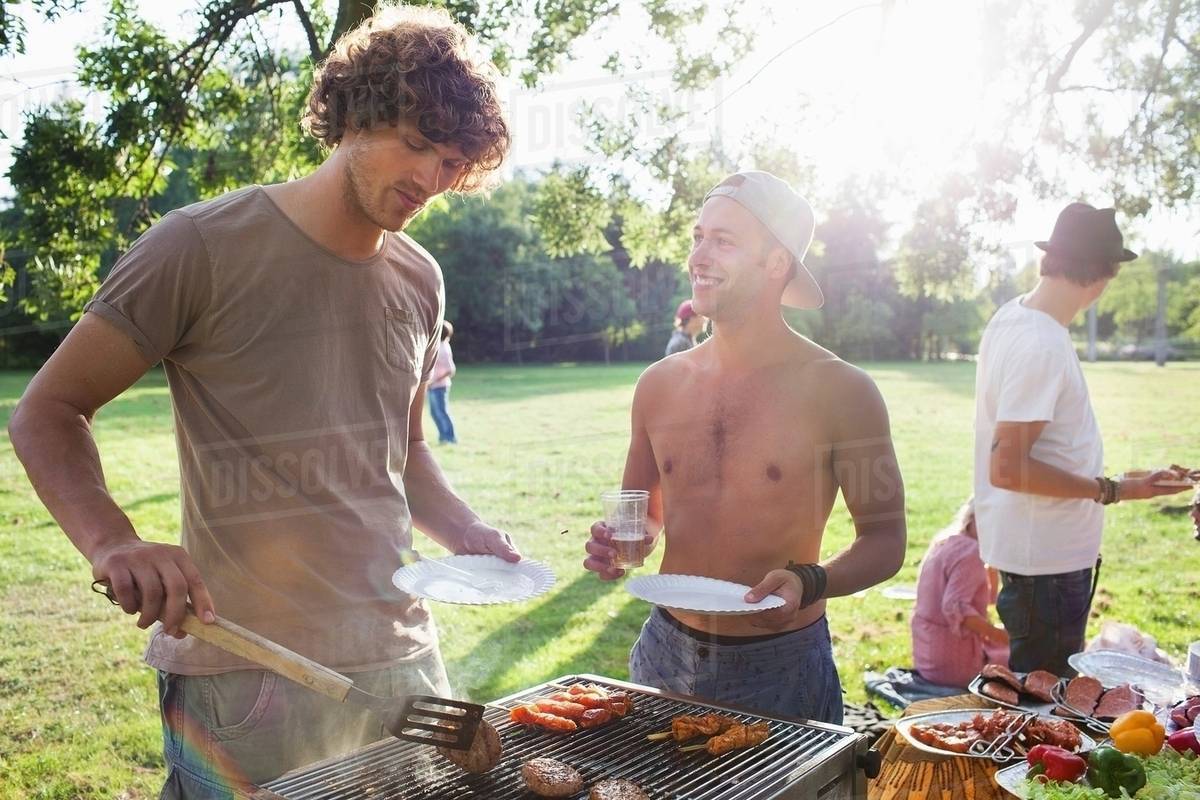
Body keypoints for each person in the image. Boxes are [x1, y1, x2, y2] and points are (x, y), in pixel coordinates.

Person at [8, 6, 516, 796]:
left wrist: (467, 529)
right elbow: (49, 409)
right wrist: (112, 542)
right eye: (415, 144)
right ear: (353, 114)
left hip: (402, 657)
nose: (430, 179)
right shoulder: (199, 244)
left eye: (451, 163)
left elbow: (406, 452)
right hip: (247, 670)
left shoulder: (422, 278)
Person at [583, 170, 907, 724]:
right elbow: (648, 519)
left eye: (724, 241)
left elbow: (885, 539)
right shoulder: (657, 386)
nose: (699, 256)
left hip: (779, 668)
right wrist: (621, 547)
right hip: (665, 651)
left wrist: (812, 582)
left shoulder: (844, 392)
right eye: (698, 237)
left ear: (776, 262)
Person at [974, 202, 1191, 676]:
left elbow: (1048, 449)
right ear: (1103, 275)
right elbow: (1008, 466)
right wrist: (1113, 490)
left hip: (1041, 560)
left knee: (1042, 699)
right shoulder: (1040, 342)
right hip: (1046, 566)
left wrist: (1132, 479)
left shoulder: (1014, 317)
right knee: (1043, 707)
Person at [911, 498, 1009, 688]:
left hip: (927, 658)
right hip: (951, 664)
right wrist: (999, 635)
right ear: (975, 519)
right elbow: (957, 608)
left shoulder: (946, 539)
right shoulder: (969, 552)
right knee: (1021, 657)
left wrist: (992, 563)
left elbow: (987, 600)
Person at [428, 320, 458, 444]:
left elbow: (451, 370)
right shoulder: (439, 346)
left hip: (439, 386)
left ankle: (450, 437)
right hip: (432, 386)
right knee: (435, 413)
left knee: (442, 412)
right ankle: (443, 437)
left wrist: (434, 380)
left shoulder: (443, 348)